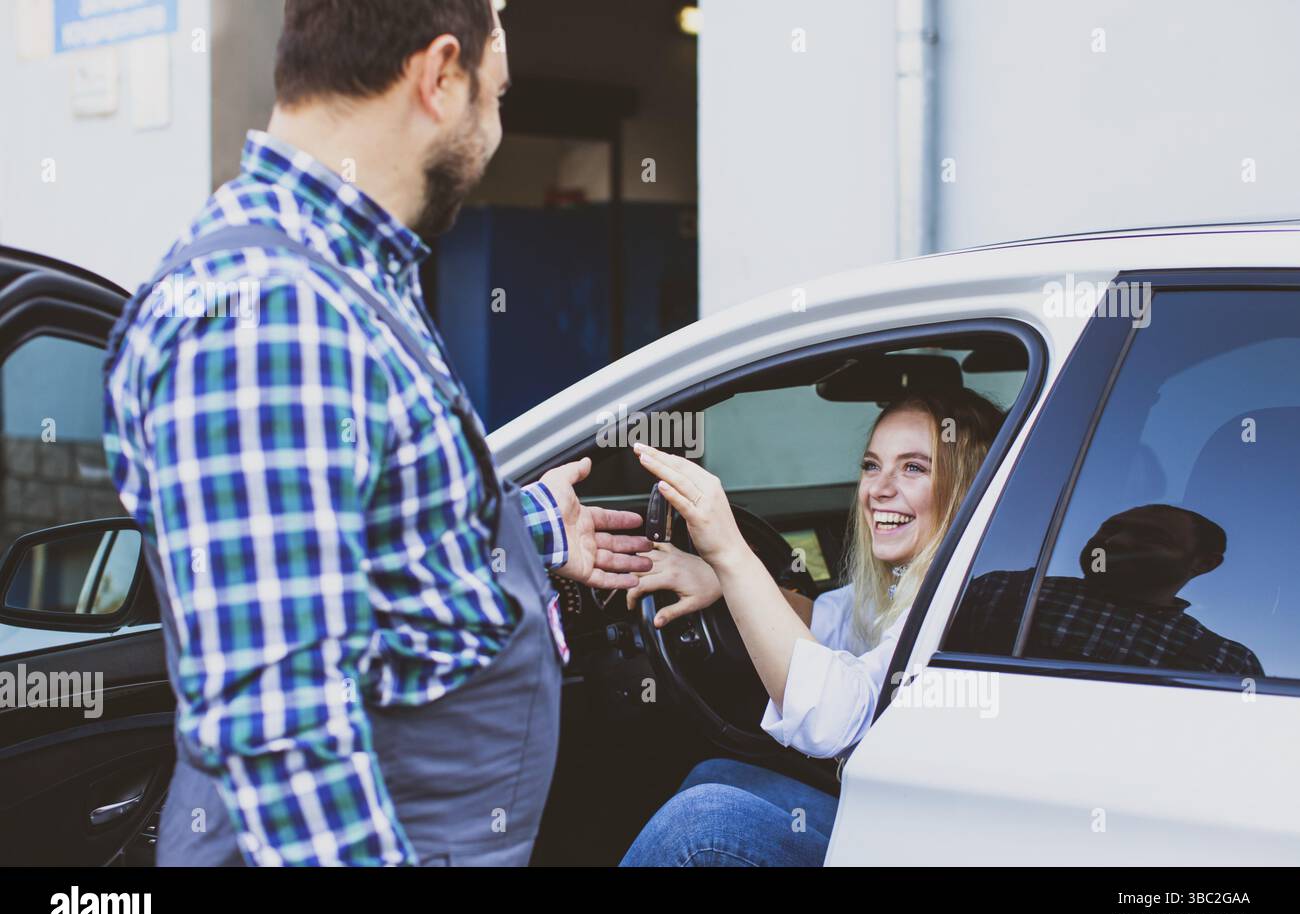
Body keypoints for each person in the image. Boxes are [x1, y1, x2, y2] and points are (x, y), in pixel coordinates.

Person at [102, 0, 652, 866]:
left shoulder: (348, 275)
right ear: (438, 77)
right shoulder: (268, 316)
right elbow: (284, 740)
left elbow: (376, 531)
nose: (495, 136)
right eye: (496, 101)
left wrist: (535, 527)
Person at [620, 387, 1004, 866]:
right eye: (871, 465)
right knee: (716, 775)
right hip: (908, 825)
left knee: (701, 823)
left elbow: (830, 722)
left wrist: (729, 551)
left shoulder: (963, 603)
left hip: (928, 849)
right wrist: (720, 579)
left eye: (913, 468)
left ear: (965, 487)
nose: (879, 489)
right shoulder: (912, 584)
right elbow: (826, 619)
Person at [950, 505, 1263, 674]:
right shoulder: (1002, 590)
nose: (1115, 542)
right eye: (1110, 528)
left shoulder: (1228, 662)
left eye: (1151, 537)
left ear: (1203, 563)